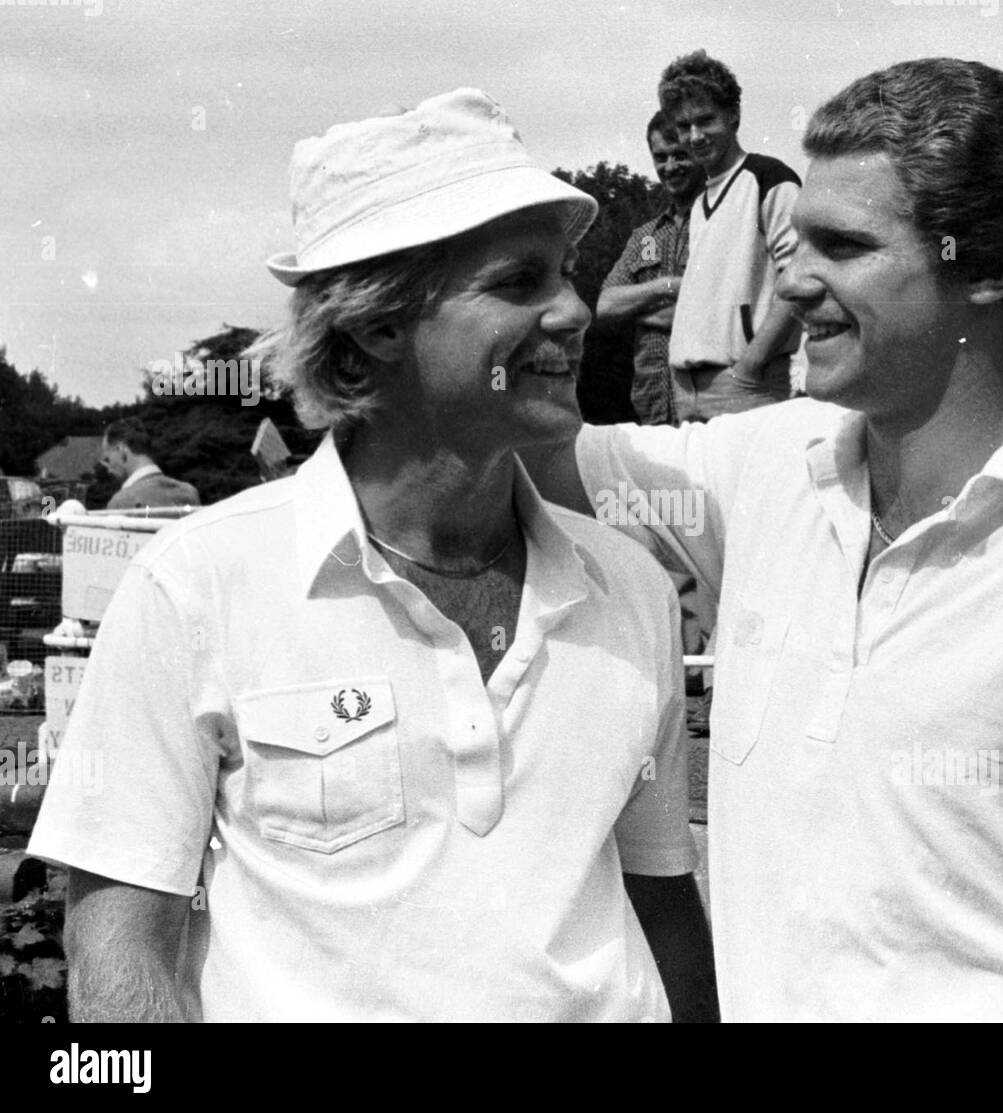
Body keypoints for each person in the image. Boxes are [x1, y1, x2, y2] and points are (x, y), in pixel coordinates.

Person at [524, 58, 1003, 1021]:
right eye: (797, 241)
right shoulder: (765, 467)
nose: (794, 282)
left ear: (990, 266)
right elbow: (527, 455)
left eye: (842, 247)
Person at [29, 90, 716, 1022]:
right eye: (521, 281)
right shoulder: (197, 585)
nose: (576, 310)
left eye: (567, 274)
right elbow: (118, 953)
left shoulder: (627, 586)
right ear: (377, 325)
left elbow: (661, 901)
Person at [659, 50, 803, 421]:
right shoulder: (697, 204)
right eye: (683, 125)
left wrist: (751, 365)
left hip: (744, 383)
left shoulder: (769, 179)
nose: (694, 135)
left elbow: (798, 280)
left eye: (706, 120)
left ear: (733, 115)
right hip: (685, 385)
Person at [597, 112, 704, 426]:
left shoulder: (722, 223)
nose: (670, 167)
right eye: (661, 158)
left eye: (680, 156)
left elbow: (724, 309)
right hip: (652, 405)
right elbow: (605, 305)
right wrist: (667, 286)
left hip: (709, 406)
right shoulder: (646, 236)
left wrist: (639, 314)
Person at [100, 418, 200, 510]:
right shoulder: (190, 493)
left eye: (108, 459)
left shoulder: (120, 503)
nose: (109, 470)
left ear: (120, 451)